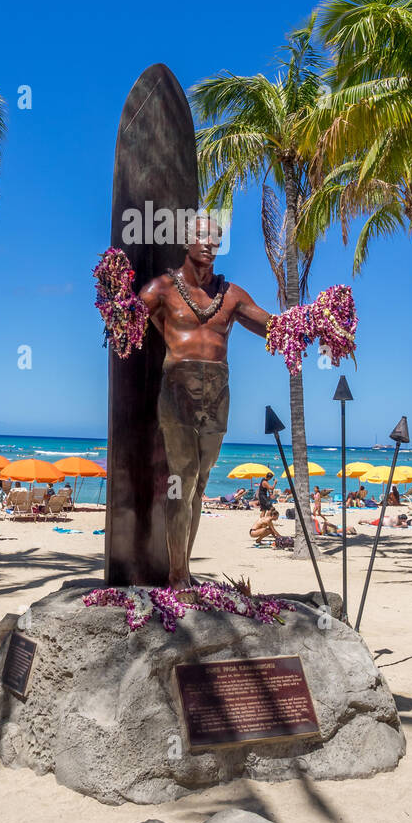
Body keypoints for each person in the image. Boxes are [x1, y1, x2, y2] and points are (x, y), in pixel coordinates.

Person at [136, 216, 277, 595]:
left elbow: (271, 326)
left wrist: (310, 322)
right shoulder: (162, 288)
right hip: (177, 388)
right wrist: (112, 291)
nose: (209, 243)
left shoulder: (230, 294)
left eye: (215, 238)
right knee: (181, 478)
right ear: (185, 241)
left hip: (218, 391)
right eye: (201, 236)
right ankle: (177, 575)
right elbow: (127, 318)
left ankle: (184, 569)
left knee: (199, 484)